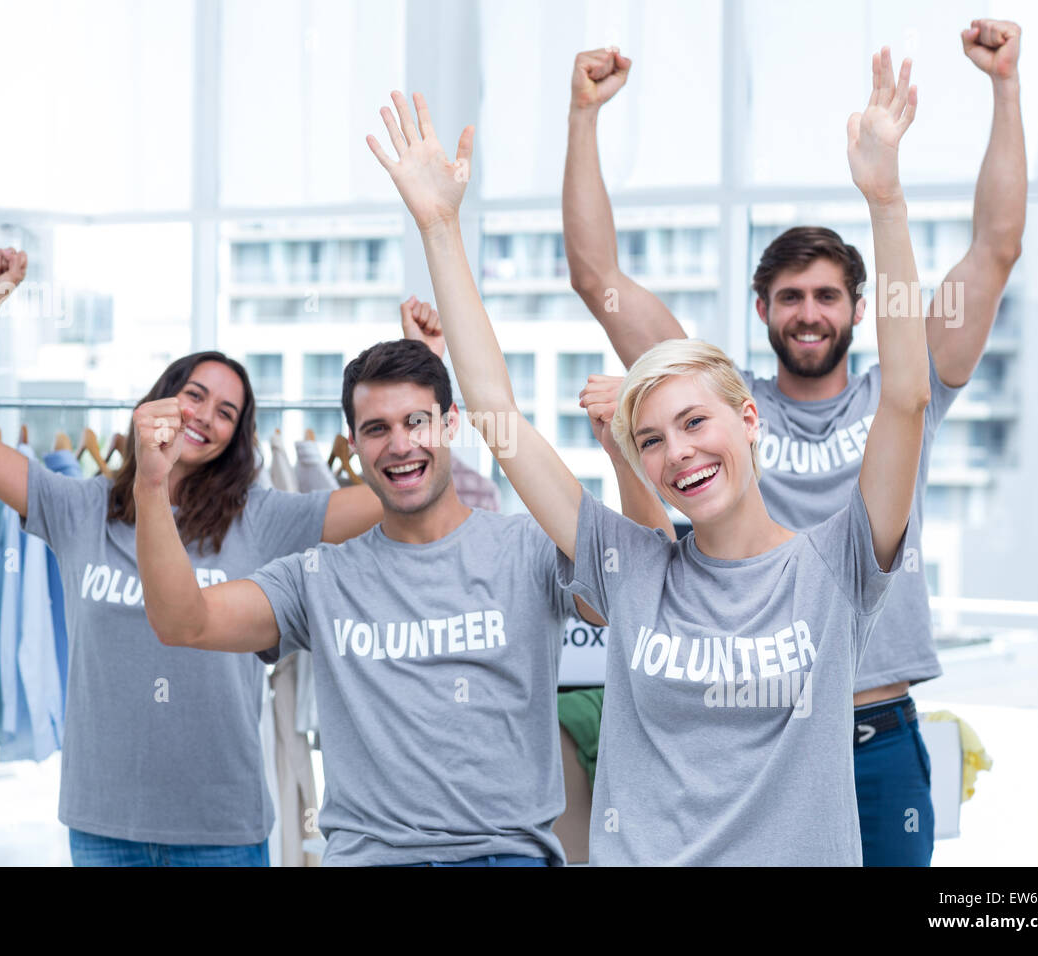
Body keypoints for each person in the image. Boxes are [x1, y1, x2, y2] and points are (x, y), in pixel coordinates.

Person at [367, 46, 926, 864]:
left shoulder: (836, 563)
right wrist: (440, 228)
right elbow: (498, 416)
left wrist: (886, 199)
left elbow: (906, 398)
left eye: (696, 423)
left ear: (747, 420)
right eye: (652, 440)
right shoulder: (627, 563)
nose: (678, 455)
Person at [561, 19, 1026, 865]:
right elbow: (600, 281)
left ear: (857, 305)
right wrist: (583, 115)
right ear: (761, 309)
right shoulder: (713, 416)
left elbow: (995, 251)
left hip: (874, 728)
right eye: (787, 296)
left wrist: (1004, 88)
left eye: (825, 294)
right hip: (744, 737)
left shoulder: (900, 398)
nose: (808, 312)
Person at [0, 250, 385, 866]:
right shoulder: (80, 509)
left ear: (237, 437)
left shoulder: (261, 517)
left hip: (221, 830)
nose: (205, 416)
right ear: (162, 398)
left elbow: (389, 498)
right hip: (104, 826)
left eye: (226, 412)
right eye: (195, 395)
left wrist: (425, 374)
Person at [132, 303, 610, 866]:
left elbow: (622, 600)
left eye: (417, 422)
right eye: (377, 429)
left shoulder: (528, 548)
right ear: (352, 445)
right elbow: (181, 621)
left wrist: (624, 454)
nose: (400, 445)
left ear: (450, 423)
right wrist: (151, 484)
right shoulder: (318, 577)